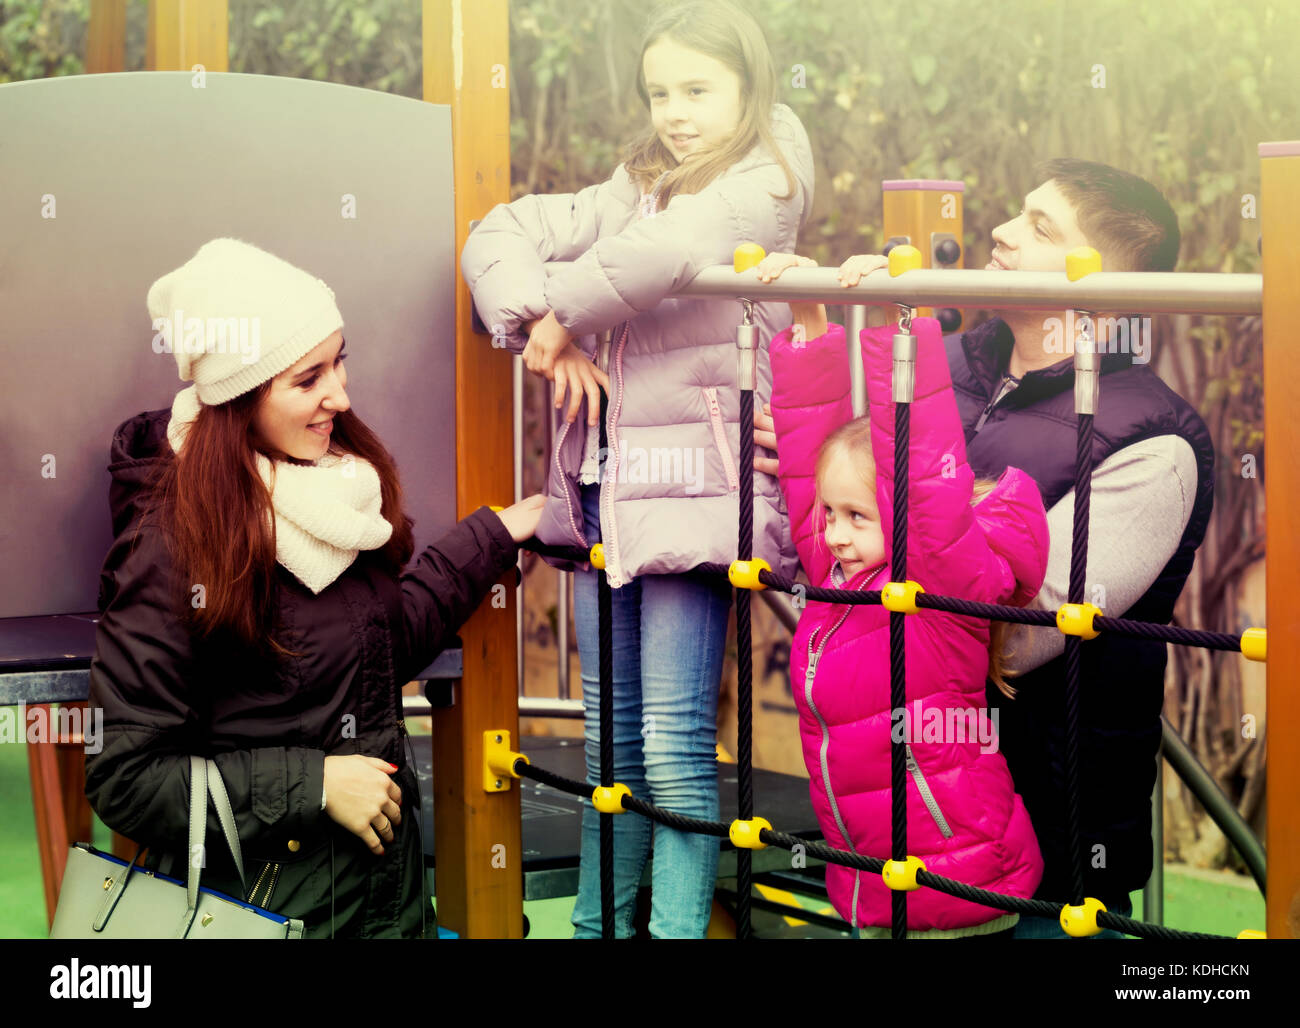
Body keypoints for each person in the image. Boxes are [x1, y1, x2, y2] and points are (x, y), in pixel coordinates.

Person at [755, 160, 1214, 939]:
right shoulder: (952, 367)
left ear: (1104, 279)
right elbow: (844, 539)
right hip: (894, 825)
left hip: (1048, 827)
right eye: (1017, 212)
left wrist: (885, 519)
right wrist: (822, 470)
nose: (999, 232)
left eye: (1040, 227)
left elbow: (1020, 628)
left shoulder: (1156, 442)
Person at [460, 0, 814, 938]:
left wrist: (561, 317)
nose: (675, 110)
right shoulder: (639, 182)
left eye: (697, 89)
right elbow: (494, 232)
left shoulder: (765, 175)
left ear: (749, 87)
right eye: (660, 91)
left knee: (673, 749)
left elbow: (664, 254)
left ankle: (672, 931)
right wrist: (546, 319)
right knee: (610, 748)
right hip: (608, 488)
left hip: (697, 494)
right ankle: (594, 931)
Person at [84, 237, 545, 939]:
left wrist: (497, 533)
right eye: (308, 378)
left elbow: (381, 640)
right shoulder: (171, 542)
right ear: (240, 396)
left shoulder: (331, 494)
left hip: (383, 908)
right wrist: (319, 786)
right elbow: (126, 775)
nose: (340, 394)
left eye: (340, 362)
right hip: (265, 917)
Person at [759, 252, 1048, 937]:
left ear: (901, 517)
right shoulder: (842, 583)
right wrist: (809, 329)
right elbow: (808, 473)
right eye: (830, 516)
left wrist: (905, 324)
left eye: (856, 516)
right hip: (872, 878)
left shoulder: (936, 587)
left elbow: (924, 483)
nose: (831, 533)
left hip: (956, 877)